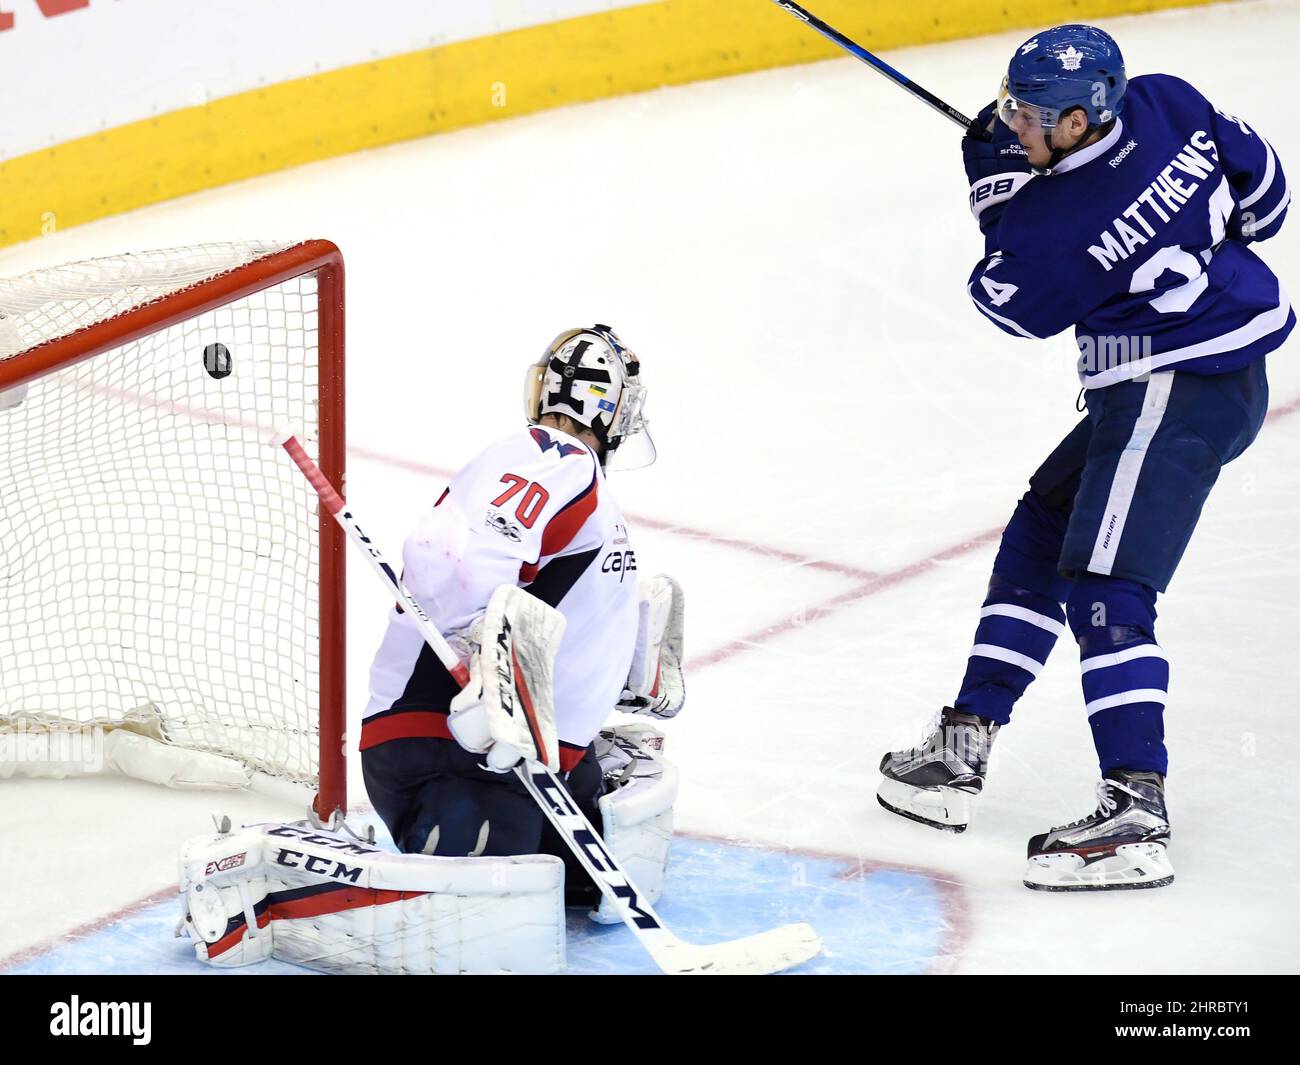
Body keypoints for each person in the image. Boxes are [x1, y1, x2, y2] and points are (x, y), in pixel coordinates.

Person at [878, 24, 1291, 890]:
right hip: (1209, 374)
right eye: (1010, 105)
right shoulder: (1167, 99)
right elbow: (1271, 201)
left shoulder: (1054, 224)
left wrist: (997, 188)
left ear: (1077, 120)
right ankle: (964, 745)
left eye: (1028, 117)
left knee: (1108, 585)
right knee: (1042, 530)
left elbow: (1011, 304)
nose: (1013, 122)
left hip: (1172, 389)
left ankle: (1136, 810)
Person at [360, 324, 684, 905]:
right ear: (614, 412)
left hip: (525, 762)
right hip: (456, 748)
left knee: (585, 892)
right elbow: (451, 556)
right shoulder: (558, 458)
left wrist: (627, 666)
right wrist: (488, 662)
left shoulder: (583, 492)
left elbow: (549, 602)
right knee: (484, 928)